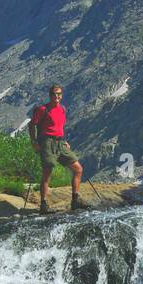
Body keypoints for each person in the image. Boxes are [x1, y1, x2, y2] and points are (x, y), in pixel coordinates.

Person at [28, 85, 85, 213]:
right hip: (47, 142)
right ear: (50, 95)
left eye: (59, 94)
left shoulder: (62, 109)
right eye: (55, 94)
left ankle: (75, 202)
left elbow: (59, 126)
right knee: (47, 172)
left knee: (78, 169)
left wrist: (64, 141)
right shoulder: (43, 109)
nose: (57, 96)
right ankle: (43, 205)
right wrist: (34, 142)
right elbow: (32, 124)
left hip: (60, 142)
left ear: (62, 95)